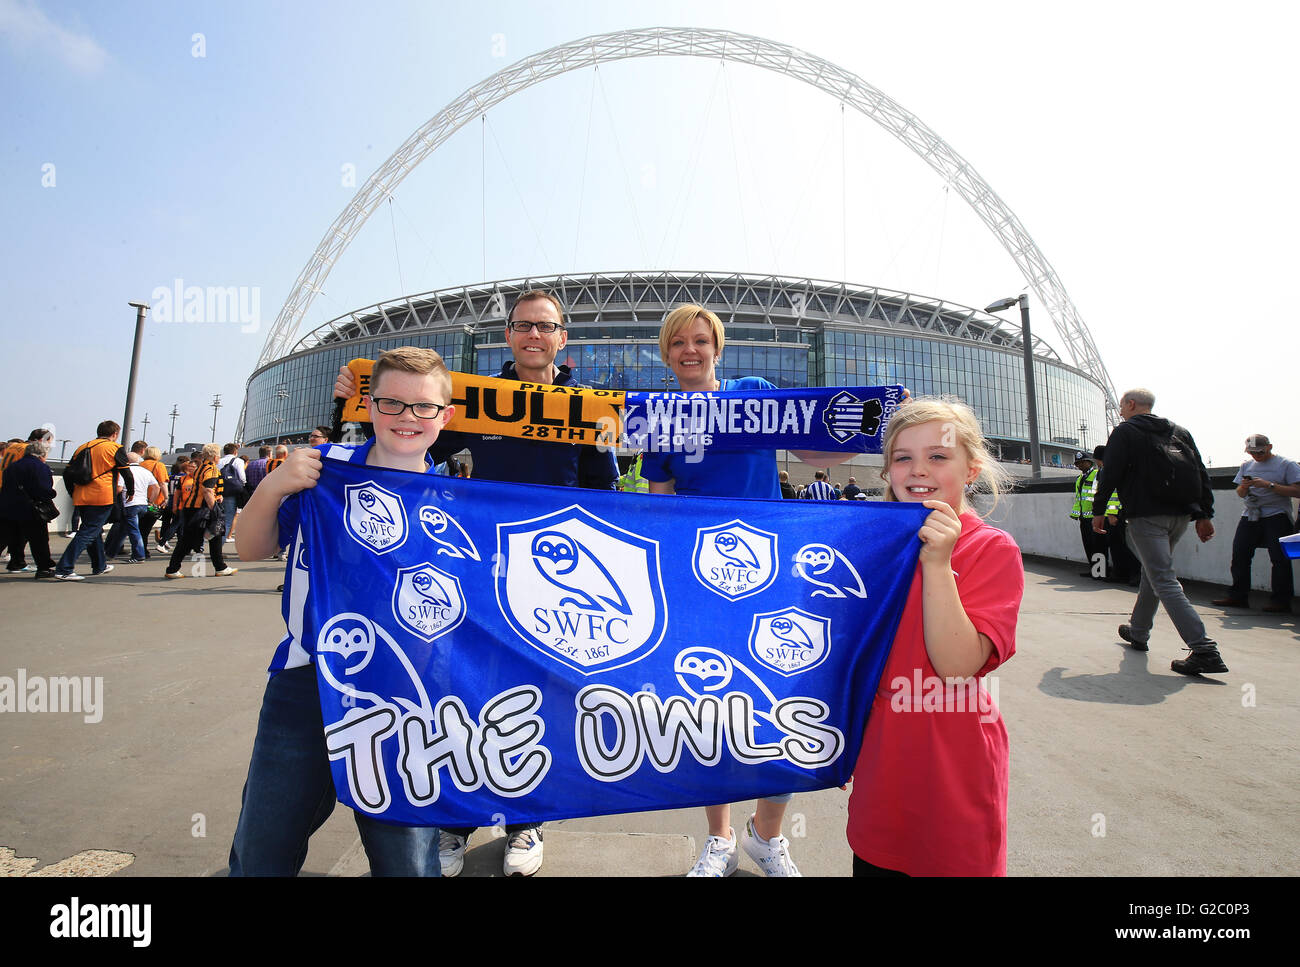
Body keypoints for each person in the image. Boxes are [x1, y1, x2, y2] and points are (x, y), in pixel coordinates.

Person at [332, 289, 618, 877]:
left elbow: (605, 495)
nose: (534, 336)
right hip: (473, 572)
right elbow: (399, 446)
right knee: (460, 690)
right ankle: (456, 820)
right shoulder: (470, 400)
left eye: (546, 327)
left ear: (563, 338)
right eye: (523, 326)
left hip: (551, 579)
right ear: (508, 336)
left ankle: (526, 819)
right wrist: (350, 408)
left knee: (533, 697)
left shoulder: (587, 408)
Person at [228, 346, 452, 877]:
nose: (407, 418)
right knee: (264, 848)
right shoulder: (324, 472)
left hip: (409, 694)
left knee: (408, 862)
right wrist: (276, 484)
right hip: (306, 683)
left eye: (423, 407)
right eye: (392, 404)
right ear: (369, 407)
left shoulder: (455, 497)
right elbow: (251, 549)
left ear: (445, 416)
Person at [641, 303, 846, 877]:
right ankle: (721, 837)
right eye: (678, 341)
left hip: (773, 571)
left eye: (701, 340)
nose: (691, 349)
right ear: (666, 351)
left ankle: (768, 837)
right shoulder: (661, 416)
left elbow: (814, 450)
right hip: (704, 577)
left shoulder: (753, 392)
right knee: (712, 703)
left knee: (781, 700)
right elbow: (660, 504)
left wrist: (878, 425)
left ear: (718, 347)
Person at [846, 396, 1021, 876]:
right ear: (887, 472)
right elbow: (850, 660)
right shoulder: (873, 551)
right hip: (883, 768)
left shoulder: (990, 549)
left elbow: (958, 665)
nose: (918, 469)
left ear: (971, 469)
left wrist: (938, 562)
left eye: (938, 456)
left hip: (954, 775)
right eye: (903, 457)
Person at [1092, 388, 1226, 676]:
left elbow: (1110, 473)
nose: (1120, 411)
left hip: (1146, 515)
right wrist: (1204, 514)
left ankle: (1204, 648)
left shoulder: (1125, 431)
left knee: (1163, 578)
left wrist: (1099, 510)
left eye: (1121, 406)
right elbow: (1201, 472)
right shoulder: (1180, 431)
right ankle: (1138, 631)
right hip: (1180, 515)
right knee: (1152, 574)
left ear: (1130, 404)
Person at [1212, 434, 1300, 614]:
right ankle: (1238, 596)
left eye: (1259, 452)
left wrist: (1269, 485)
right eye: (1252, 452)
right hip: (1251, 514)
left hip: (1276, 514)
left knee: (1279, 558)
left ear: (1269, 447)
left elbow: (1297, 491)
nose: (1256, 456)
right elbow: (1239, 492)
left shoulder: (1286, 465)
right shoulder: (1247, 465)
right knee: (1240, 554)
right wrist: (1244, 487)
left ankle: (1281, 601)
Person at [55, 420, 129, 581]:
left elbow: (68, 474)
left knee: (92, 530)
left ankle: (99, 565)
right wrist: (129, 491)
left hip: (81, 495)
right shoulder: (115, 448)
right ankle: (64, 568)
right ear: (115, 434)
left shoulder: (83, 447)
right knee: (88, 532)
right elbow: (126, 474)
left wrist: (72, 492)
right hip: (102, 495)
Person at [163, 443, 237, 579]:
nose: (219, 458)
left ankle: (221, 567)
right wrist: (214, 509)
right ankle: (172, 568)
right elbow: (208, 490)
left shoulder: (200, 467)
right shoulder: (211, 469)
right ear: (215, 456)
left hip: (192, 506)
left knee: (214, 536)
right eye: (219, 455)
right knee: (188, 541)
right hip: (202, 508)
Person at [0, 439, 59, 578]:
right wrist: (52, 494)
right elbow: (44, 489)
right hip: (31, 510)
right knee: (39, 540)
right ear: (42, 453)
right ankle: (44, 568)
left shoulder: (12, 467)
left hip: (8, 508)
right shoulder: (40, 467)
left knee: (10, 537)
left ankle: (17, 562)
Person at [1091, 446, 1139, 585]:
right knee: (1116, 545)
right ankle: (1121, 573)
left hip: (1116, 514)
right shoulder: (1104, 471)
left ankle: (1133, 574)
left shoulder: (1110, 470)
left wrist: (1111, 513)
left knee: (1125, 545)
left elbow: (1114, 494)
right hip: (1112, 514)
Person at [105, 452, 159, 563]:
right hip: (142, 504)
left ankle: (139, 555)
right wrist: (150, 501)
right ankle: (110, 553)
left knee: (133, 530)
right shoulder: (146, 472)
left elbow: (119, 489)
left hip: (129, 504)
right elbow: (156, 487)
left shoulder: (124, 471)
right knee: (123, 530)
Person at [1069, 450, 1107, 579]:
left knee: (1098, 546)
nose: (1079, 465)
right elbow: (1079, 498)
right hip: (1083, 518)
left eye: (1081, 463)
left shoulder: (1096, 475)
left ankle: (1101, 572)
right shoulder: (1080, 478)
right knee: (1088, 545)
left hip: (1094, 517)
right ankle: (1094, 570)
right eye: (1077, 463)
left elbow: (1099, 496)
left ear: (1089, 462)